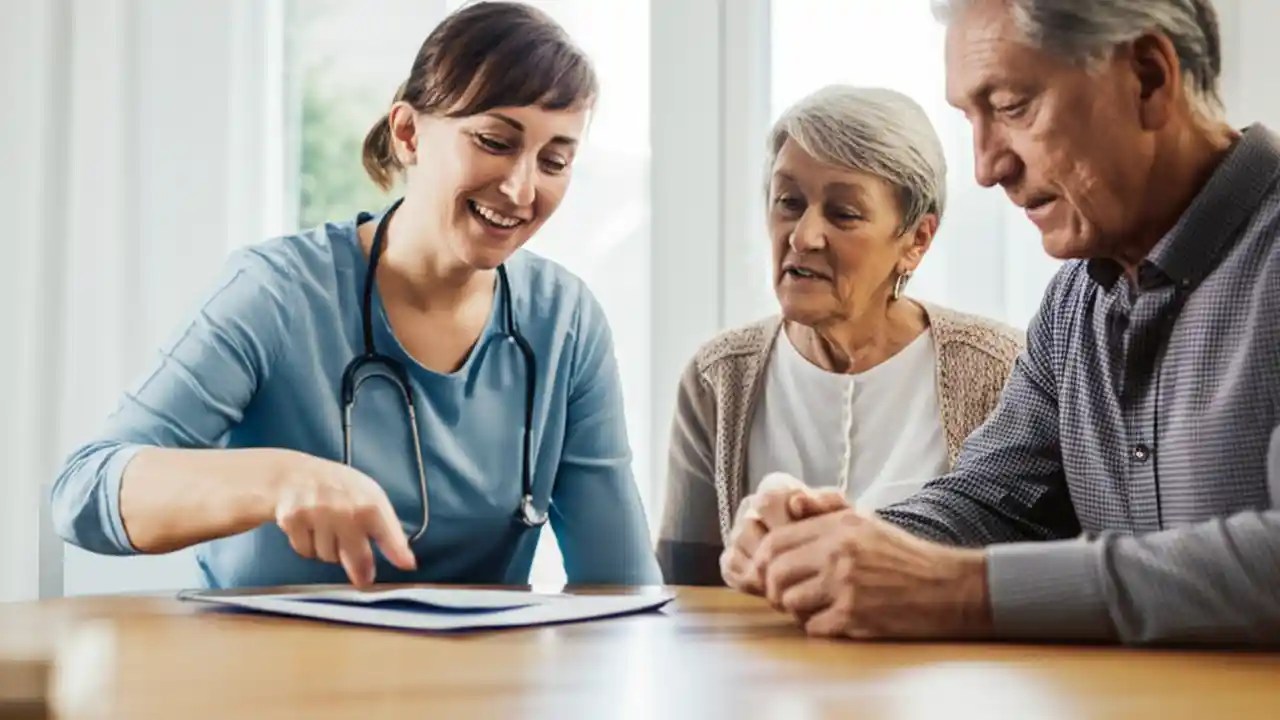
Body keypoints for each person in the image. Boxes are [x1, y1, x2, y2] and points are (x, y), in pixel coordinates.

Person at [721, 0, 1280, 646]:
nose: (988, 169)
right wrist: (824, 546)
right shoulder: (1075, 303)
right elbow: (988, 501)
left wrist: (960, 592)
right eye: (971, 120)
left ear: (1148, 79)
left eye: (1012, 107)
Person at [49, 1, 660, 590]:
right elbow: (82, 494)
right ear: (409, 133)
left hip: (474, 689)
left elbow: (623, 583)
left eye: (554, 161)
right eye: (495, 142)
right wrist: (277, 479)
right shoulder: (278, 294)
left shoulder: (565, 323)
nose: (522, 189)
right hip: (269, 680)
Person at [658, 85, 1023, 585]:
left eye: (844, 214)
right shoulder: (719, 377)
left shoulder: (1003, 370)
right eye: (788, 202)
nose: (803, 236)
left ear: (916, 240)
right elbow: (685, 595)